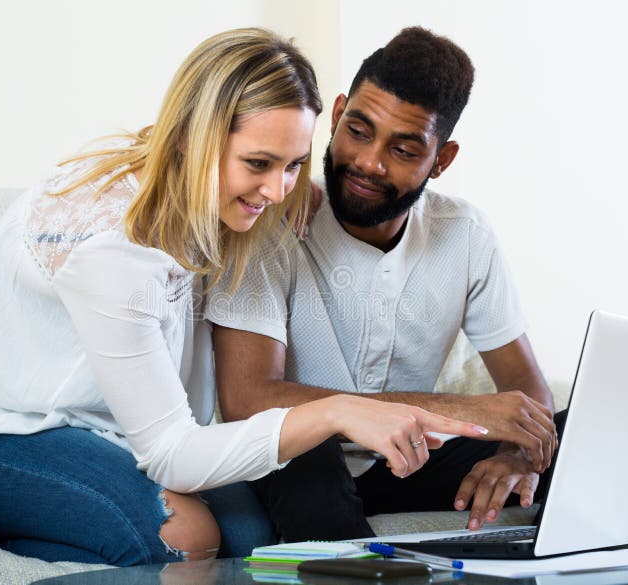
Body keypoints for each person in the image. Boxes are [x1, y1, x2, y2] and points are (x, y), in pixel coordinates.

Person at [0, 27, 488, 566]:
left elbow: (281, 192)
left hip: (108, 432)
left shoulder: (223, 194)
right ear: (194, 136)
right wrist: (340, 409)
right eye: (259, 164)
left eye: (293, 164)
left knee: (250, 537)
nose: (277, 189)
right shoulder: (111, 247)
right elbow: (170, 452)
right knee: (191, 537)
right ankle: (14, 527)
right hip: (0, 430)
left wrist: (286, 186)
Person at [207, 25, 561, 543]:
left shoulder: (464, 234)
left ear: (442, 160)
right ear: (337, 113)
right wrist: (452, 408)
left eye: (403, 149)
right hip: (296, 457)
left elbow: (528, 392)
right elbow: (246, 397)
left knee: (584, 438)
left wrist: (516, 454)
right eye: (359, 130)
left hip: (410, 459)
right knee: (311, 463)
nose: (369, 162)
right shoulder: (269, 217)